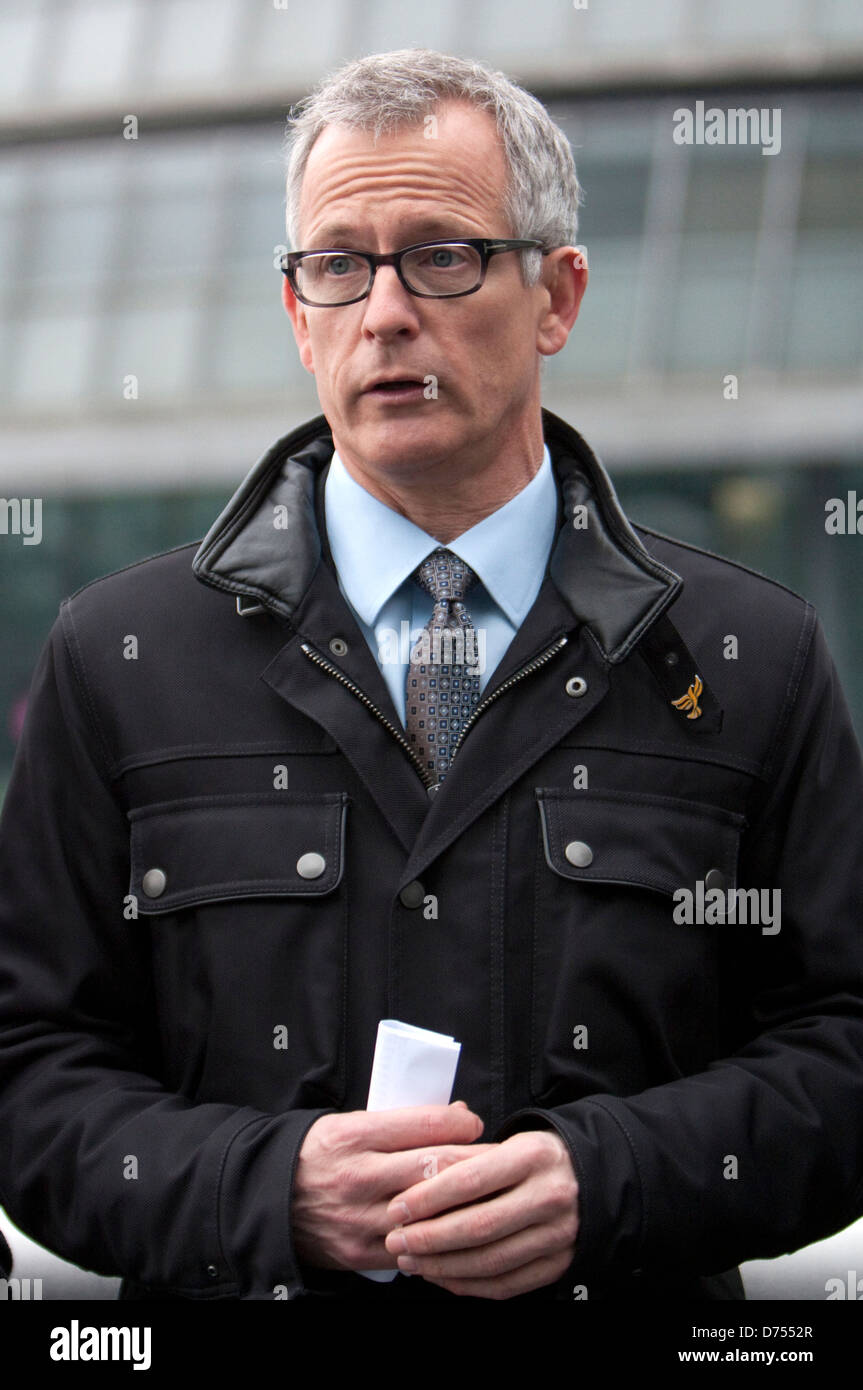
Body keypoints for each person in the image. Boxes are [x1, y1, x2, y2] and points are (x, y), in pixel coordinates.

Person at [0, 48, 862, 1305]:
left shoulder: (751, 660)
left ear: (556, 296)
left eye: (442, 256)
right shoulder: (119, 658)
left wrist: (605, 1180)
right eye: (338, 265)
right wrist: (266, 1187)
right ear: (298, 315)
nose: (385, 311)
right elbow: (30, 1073)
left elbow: (839, 1052)